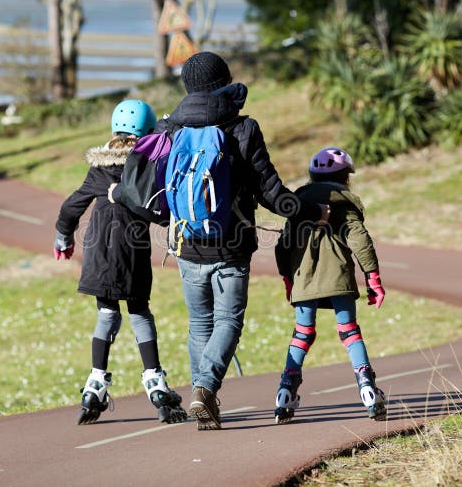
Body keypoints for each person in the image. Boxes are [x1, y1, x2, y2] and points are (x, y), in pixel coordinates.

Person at [155, 51, 328, 430]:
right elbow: (270, 192)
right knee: (229, 320)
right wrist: (309, 211)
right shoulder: (243, 128)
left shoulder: (169, 130)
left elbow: (156, 190)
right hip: (232, 246)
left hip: (186, 245)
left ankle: (206, 403)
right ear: (224, 82)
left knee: (200, 323)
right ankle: (204, 389)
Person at [53, 99, 187, 425]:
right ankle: (155, 382)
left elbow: (73, 205)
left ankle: (95, 383)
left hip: (99, 254)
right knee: (139, 310)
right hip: (133, 253)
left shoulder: (99, 167)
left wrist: (63, 237)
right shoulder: (146, 166)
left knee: (107, 312)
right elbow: (158, 211)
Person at [273, 147, 387, 423]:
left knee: (303, 333)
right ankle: (367, 388)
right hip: (338, 276)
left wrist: (289, 280)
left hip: (303, 277)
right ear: (345, 177)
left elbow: (281, 247)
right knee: (349, 332)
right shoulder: (344, 203)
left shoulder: (299, 202)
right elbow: (359, 239)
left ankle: (285, 392)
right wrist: (373, 278)